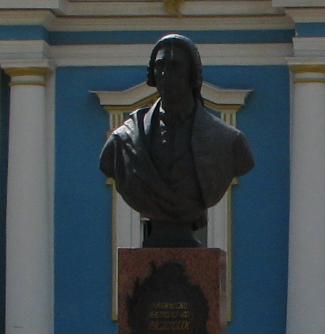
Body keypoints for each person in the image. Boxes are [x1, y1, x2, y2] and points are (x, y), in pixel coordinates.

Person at [98, 33, 255, 247]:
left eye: (174, 66)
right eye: (160, 66)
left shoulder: (228, 141)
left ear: (192, 75)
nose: (165, 74)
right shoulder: (122, 140)